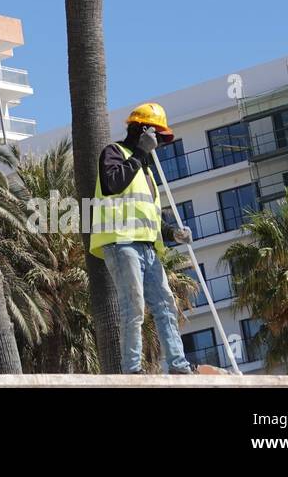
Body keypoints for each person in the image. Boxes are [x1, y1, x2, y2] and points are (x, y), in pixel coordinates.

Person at [90, 102, 195, 374]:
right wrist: (139, 153)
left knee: (165, 305)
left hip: (148, 248)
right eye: (156, 135)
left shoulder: (146, 171)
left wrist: (173, 232)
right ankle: (132, 369)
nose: (158, 142)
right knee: (133, 306)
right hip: (122, 243)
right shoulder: (114, 152)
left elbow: (151, 215)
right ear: (141, 129)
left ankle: (178, 364)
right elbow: (113, 184)